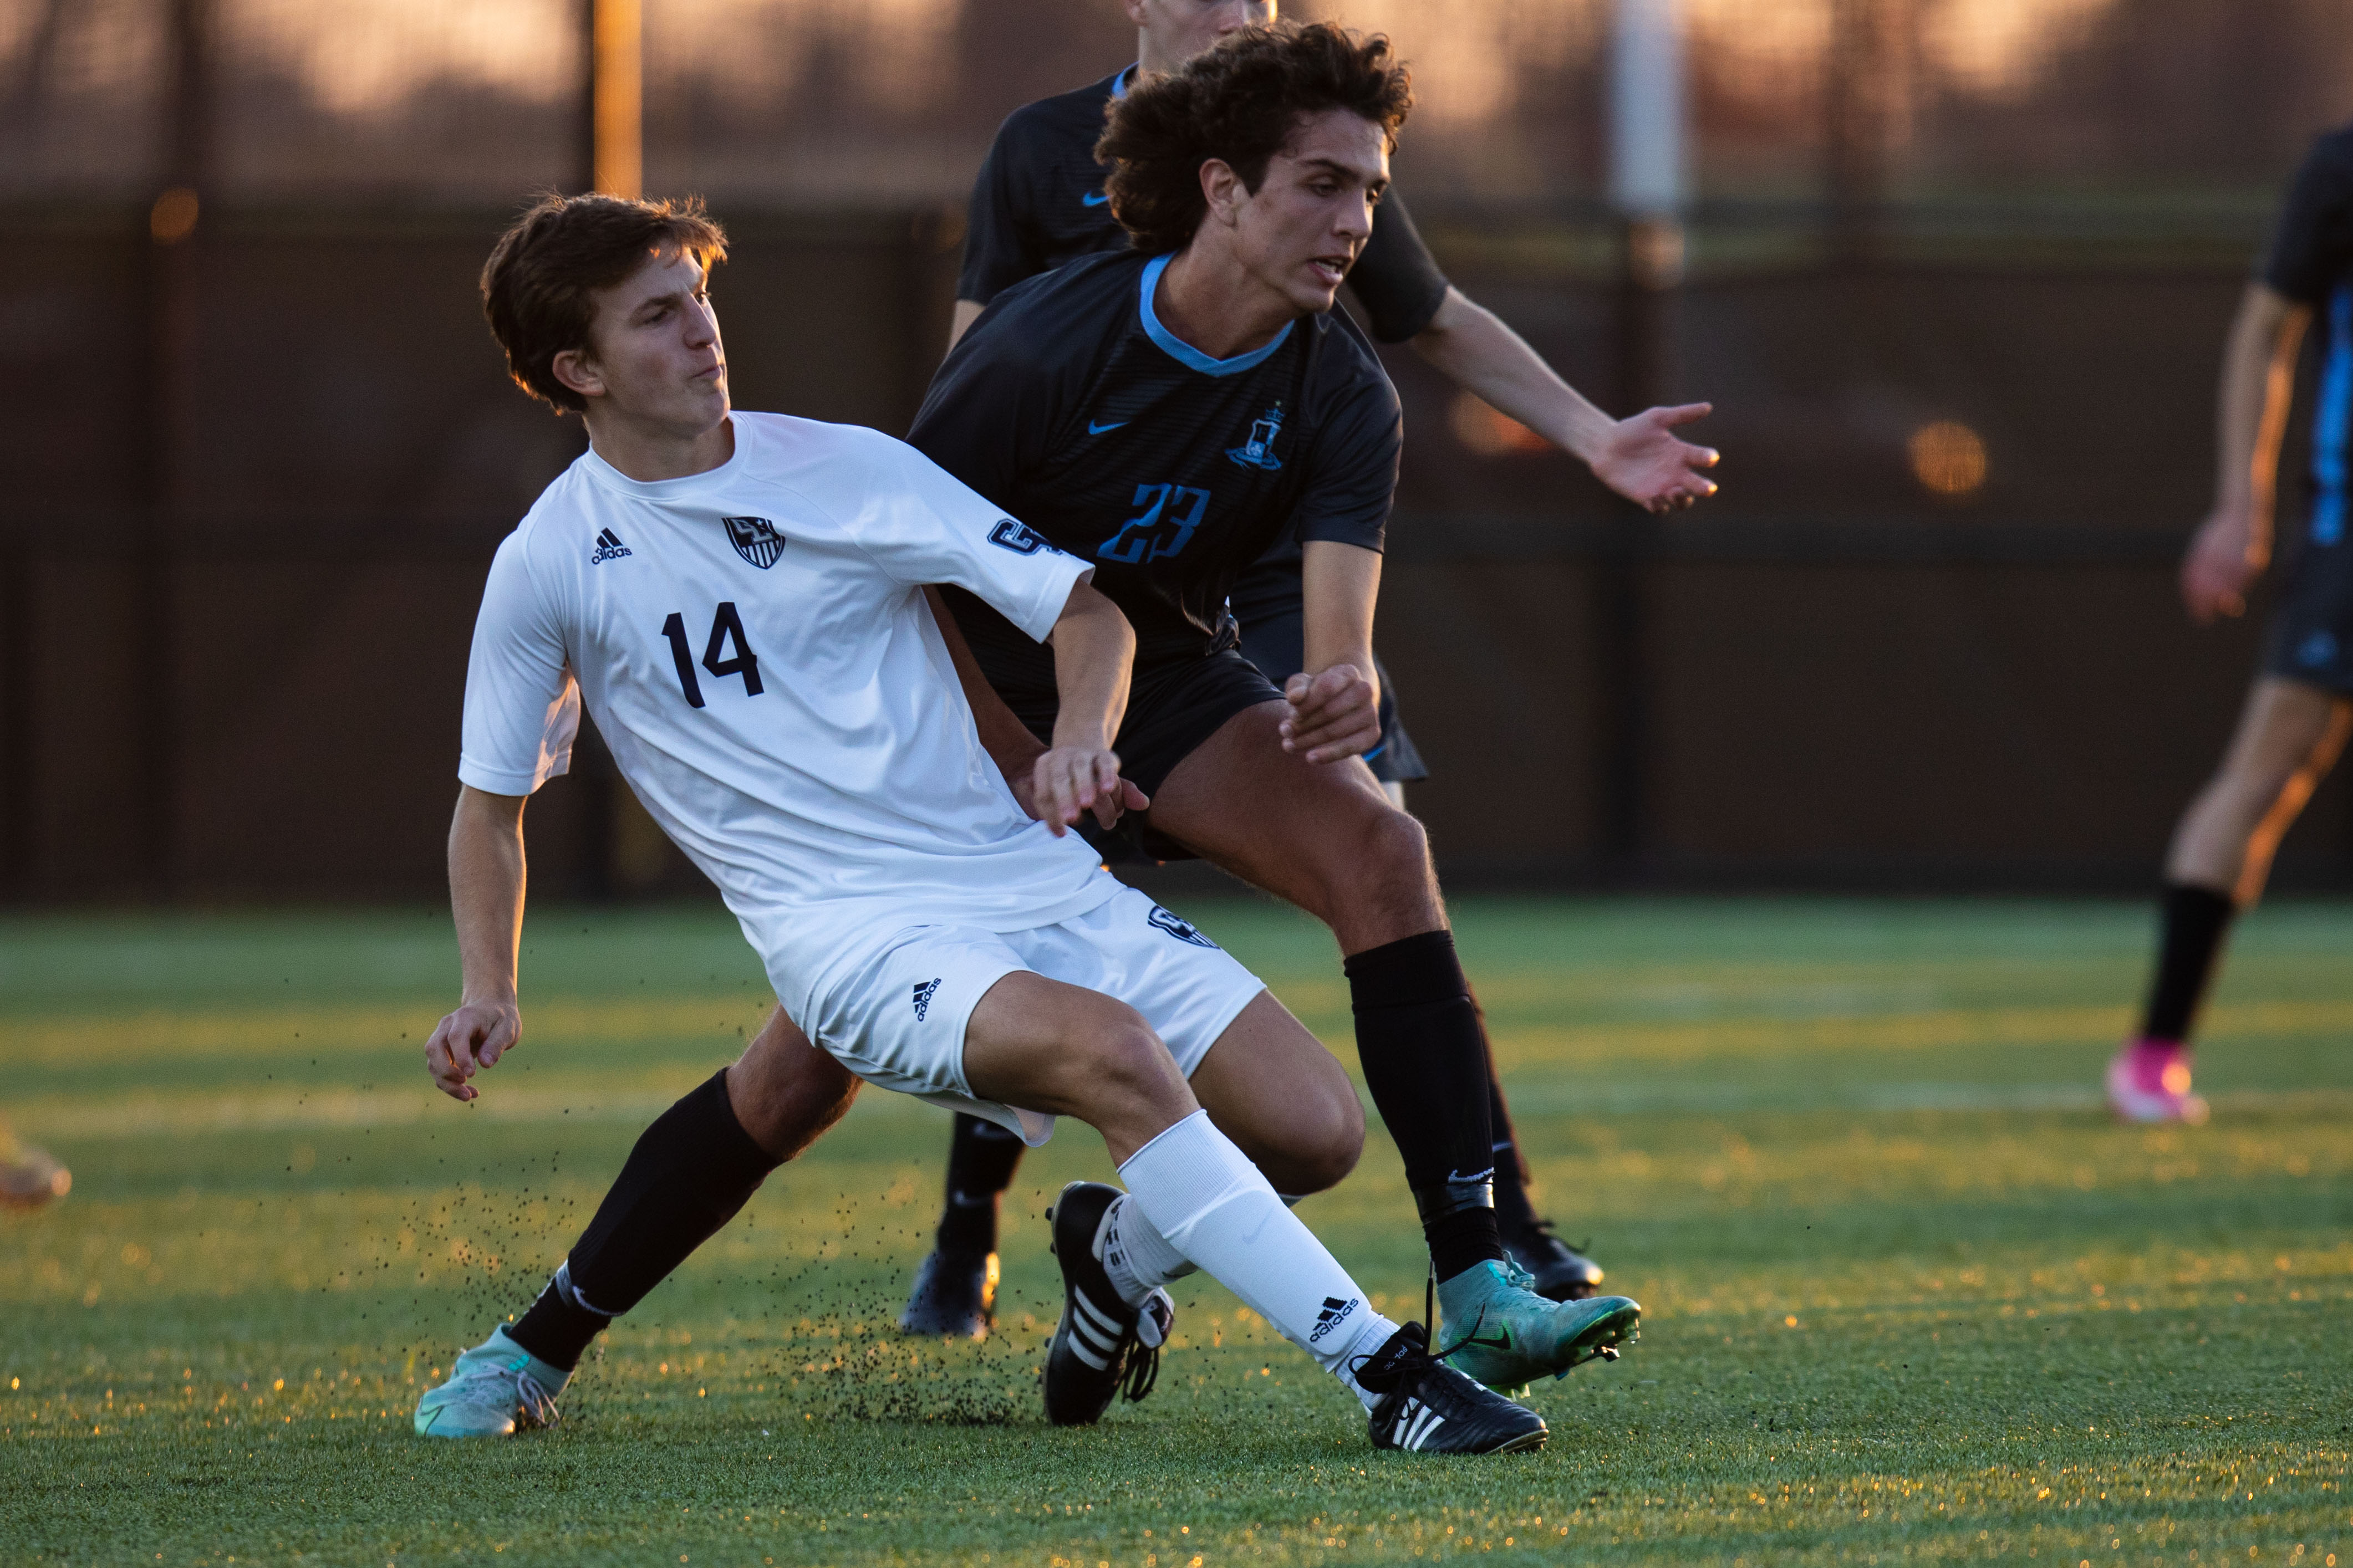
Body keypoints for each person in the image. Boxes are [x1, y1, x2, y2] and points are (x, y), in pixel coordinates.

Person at [408, 189, 1565, 1454]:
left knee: (1313, 1129)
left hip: (1028, 874)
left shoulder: (849, 468)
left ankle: (1112, 1257)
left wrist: (1079, 737)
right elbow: (490, 808)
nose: (702, 329)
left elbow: (1088, 613)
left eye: (700, 296)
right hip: (848, 935)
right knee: (1107, 1053)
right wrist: (488, 986)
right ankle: (1388, 1375)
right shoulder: (549, 561)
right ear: (576, 369)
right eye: (656, 315)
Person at [739, 22, 1645, 1398]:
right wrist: (1024, 756)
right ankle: (543, 1336)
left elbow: (1334, 632)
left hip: (1160, 682)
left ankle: (1472, 1279)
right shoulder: (1049, 340)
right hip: (949, 693)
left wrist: (1340, 681)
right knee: (798, 1074)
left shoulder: (1342, 382)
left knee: (1380, 848)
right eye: (1322, 185)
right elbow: (896, 573)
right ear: (1222, 189)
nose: (1355, 223)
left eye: (1371, 191)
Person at [2108, 122, 2353, 1123]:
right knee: (2268, 773)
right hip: (2349, 535)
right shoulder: (2341, 169)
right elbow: (2264, 331)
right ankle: (2154, 1052)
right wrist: (2241, 505)